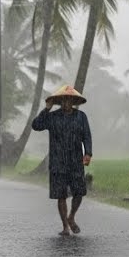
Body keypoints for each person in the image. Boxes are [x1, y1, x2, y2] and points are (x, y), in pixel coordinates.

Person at [31, 85, 93, 236]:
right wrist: (46, 109)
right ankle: (65, 226)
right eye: (64, 100)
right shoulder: (52, 117)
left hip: (76, 161)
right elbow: (36, 126)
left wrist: (88, 153)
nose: (66, 102)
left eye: (69, 100)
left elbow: (87, 136)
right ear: (59, 101)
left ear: (73, 101)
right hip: (58, 162)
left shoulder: (81, 117)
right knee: (61, 195)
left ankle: (71, 216)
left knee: (79, 192)